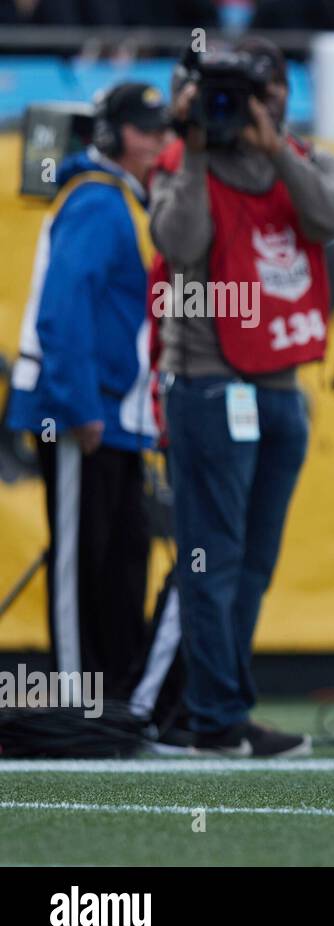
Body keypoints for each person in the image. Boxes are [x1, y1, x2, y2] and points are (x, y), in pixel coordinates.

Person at [149, 37, 334, 756]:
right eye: (234, 95)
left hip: (278, 389)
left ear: (282, 98)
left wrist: (274, 151)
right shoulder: (183, 162)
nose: (246, 107)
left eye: (260, 93)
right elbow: (179, 243)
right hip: (209, 384)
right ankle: (213, 717)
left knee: (254, 563)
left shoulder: (305, 161)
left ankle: (216, 707)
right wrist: (197, 146)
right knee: (213, 557)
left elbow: (331, 220)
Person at [7, 82, 169, 701]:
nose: (156, 140)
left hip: (111, 415)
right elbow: (62, 311)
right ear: (112, 134)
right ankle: (79, 696)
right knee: (84, 556)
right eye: (143, 128)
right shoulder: (99, 201)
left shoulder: (113, 197)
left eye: (160, 128)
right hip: (86, 413)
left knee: (121, 551)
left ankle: (116, 694)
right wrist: (80, 405)